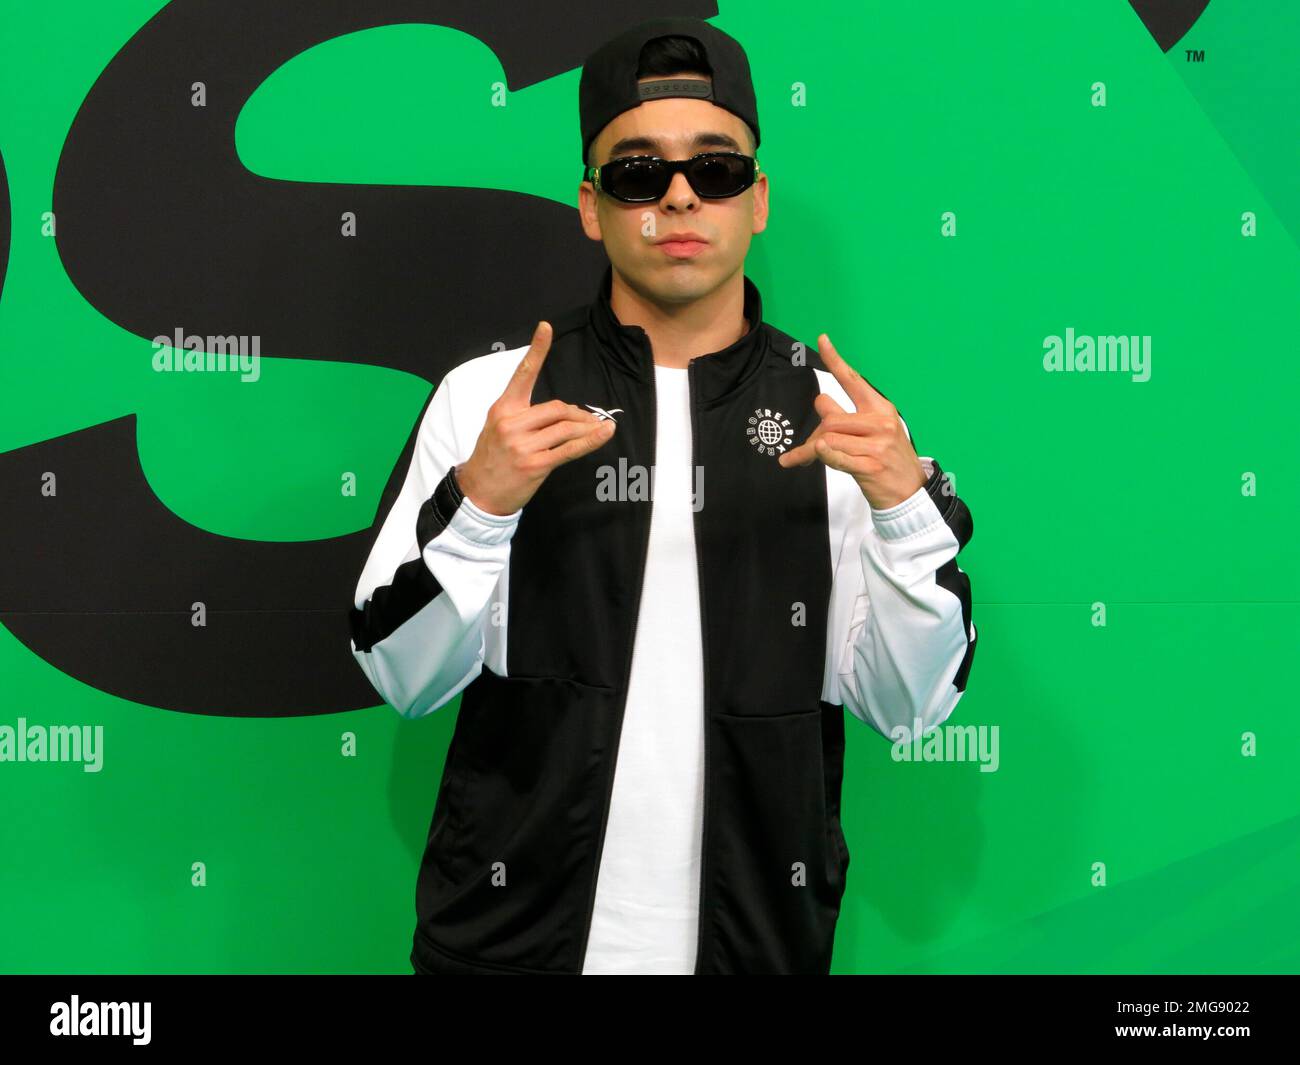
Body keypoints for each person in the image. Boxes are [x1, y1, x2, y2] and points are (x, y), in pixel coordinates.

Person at [349, 15, 977, 975]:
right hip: (508, 951)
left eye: (716, 171)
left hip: (755, 948)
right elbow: (402, 676)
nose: (679, 197)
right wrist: (480, 509)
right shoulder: (492, 399)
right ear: (591, 207)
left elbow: (909, 707)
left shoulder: (840, 421)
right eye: (638, 173)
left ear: (757, 200)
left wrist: (903, 513)